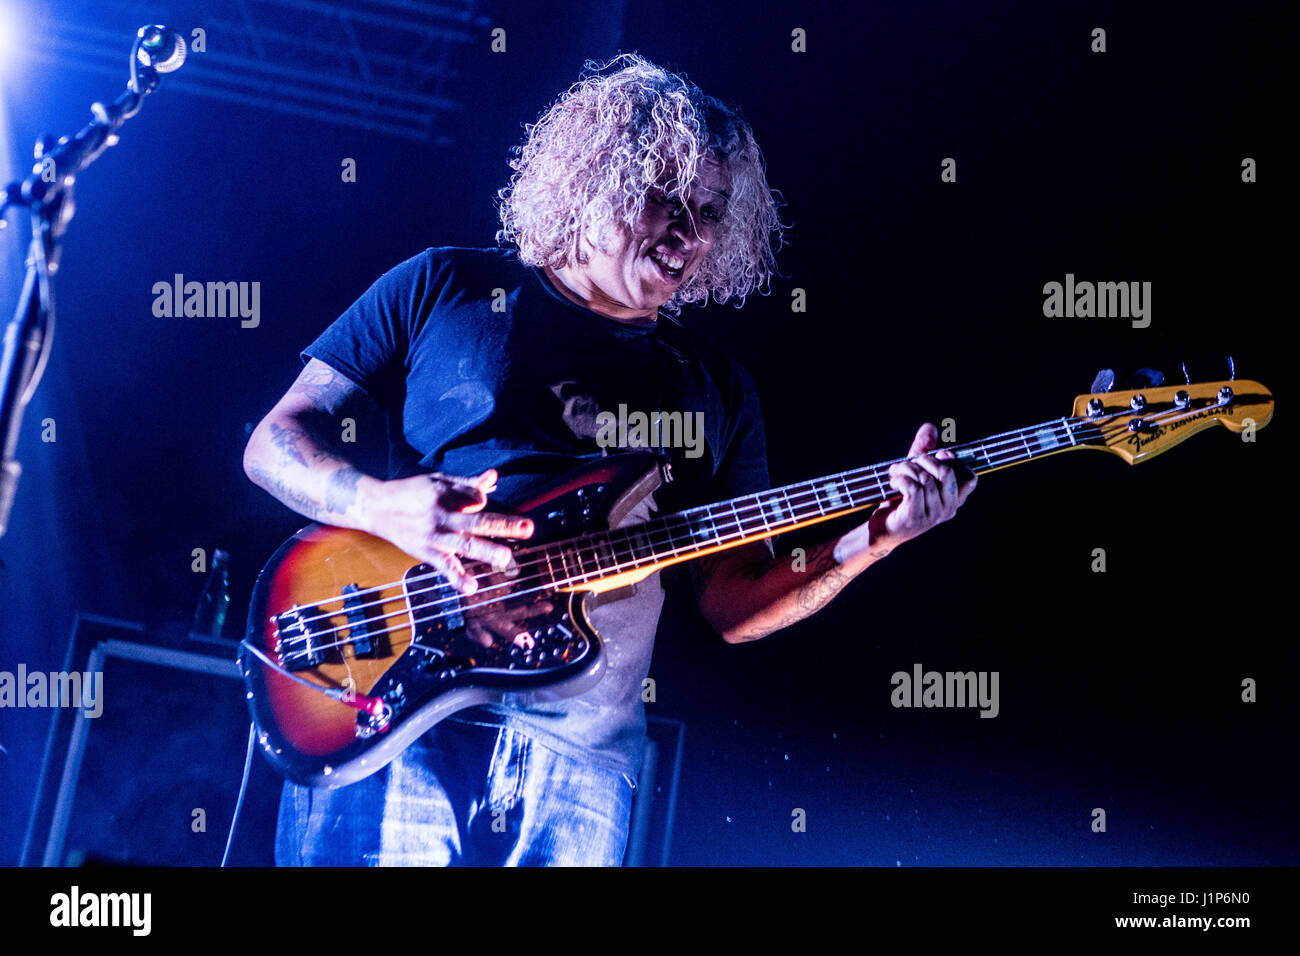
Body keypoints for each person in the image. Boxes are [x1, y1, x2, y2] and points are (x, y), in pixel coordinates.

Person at [243, 53, 976, 866]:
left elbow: (735, 608)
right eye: (666, 197)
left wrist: (874, 539)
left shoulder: (716, 388)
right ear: (595, 177)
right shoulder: (443, 285)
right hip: (394, 716)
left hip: (580, 766)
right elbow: (273, 444)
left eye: (708, 211)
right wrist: (384, 505)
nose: (689, 232)